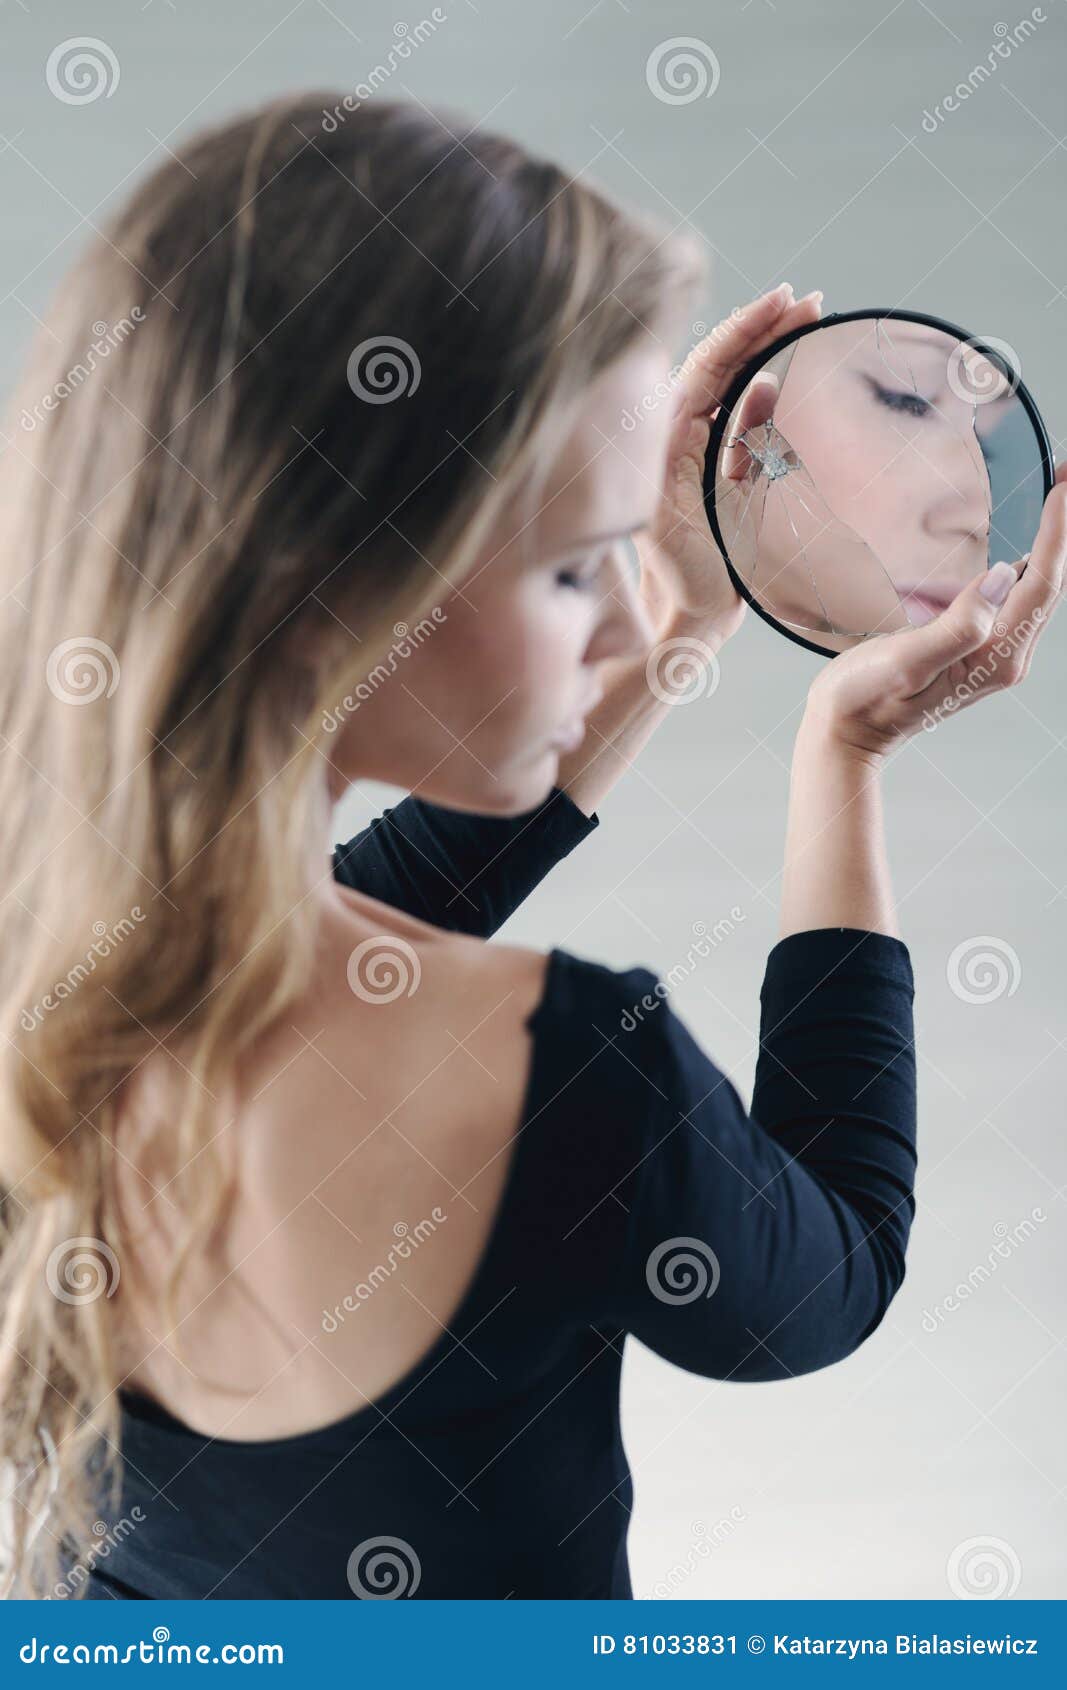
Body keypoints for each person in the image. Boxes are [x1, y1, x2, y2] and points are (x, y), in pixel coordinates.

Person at [0, 93, 1062, 1601]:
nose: (628, 616)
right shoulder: (565, 1073)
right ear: (341, 575)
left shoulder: (73, 969)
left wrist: (685, 621)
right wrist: (847, 751)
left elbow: (333, 922)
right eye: (578, 568)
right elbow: (835, 1271)